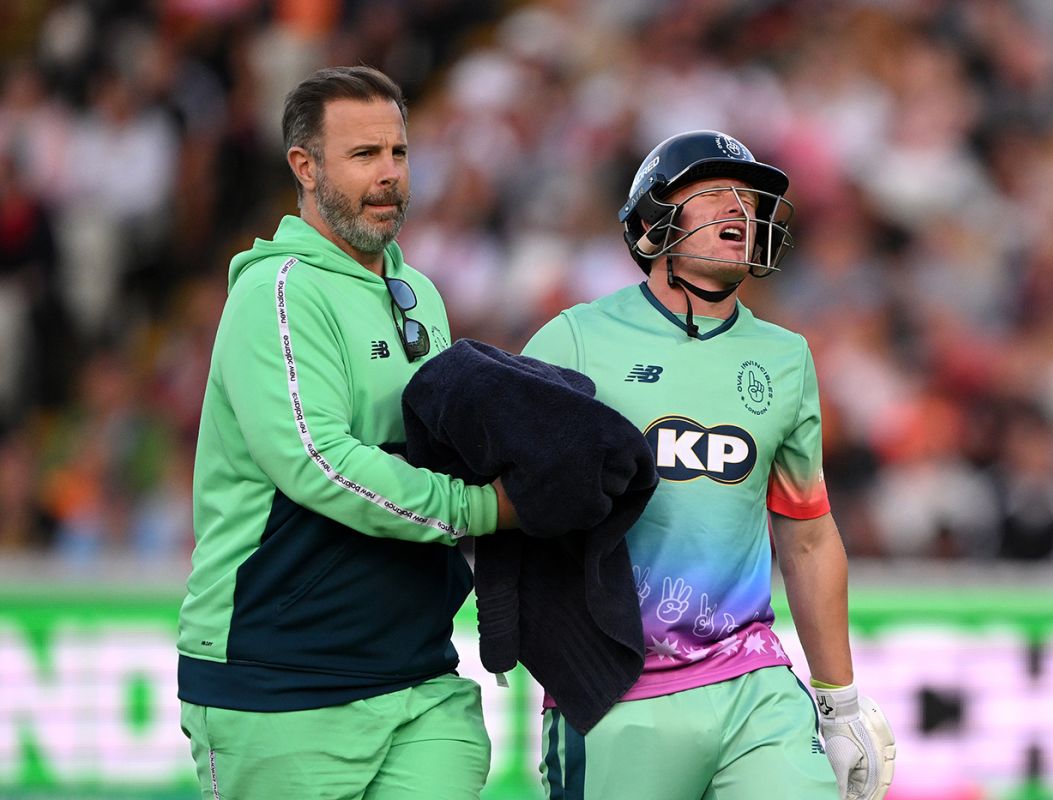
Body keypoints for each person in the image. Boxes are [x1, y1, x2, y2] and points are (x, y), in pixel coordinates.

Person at [523, 130, 895, 800]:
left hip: (751, 684)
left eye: (748, 199)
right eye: (713, 191)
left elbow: (807, 537)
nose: (739, 209)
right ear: (650, 221)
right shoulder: (572, 340)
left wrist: (838, 704)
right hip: (612, 692)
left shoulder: (786, 358)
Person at [176, 65, 516, 800]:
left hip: (420, 678)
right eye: (365, 155)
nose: (390, 175)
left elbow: (442, 445)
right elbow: (319, 463)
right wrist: (485, 509)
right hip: (279, 680)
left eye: (398, 153)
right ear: (305, 166)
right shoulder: (277, 290)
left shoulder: (417, 291)